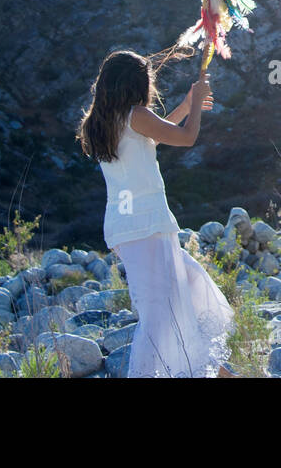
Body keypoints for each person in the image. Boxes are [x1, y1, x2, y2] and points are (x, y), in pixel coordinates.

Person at [77, 48, 235, 377]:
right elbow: (186, 137)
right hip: (148, 225)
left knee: (188, 284)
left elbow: (155, 136)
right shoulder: (135, 114)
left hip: (128, 227)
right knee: (159, 313)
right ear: (135, 83)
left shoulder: (103, 121)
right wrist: (197, 108)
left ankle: (210, 368)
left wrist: (188, 104)